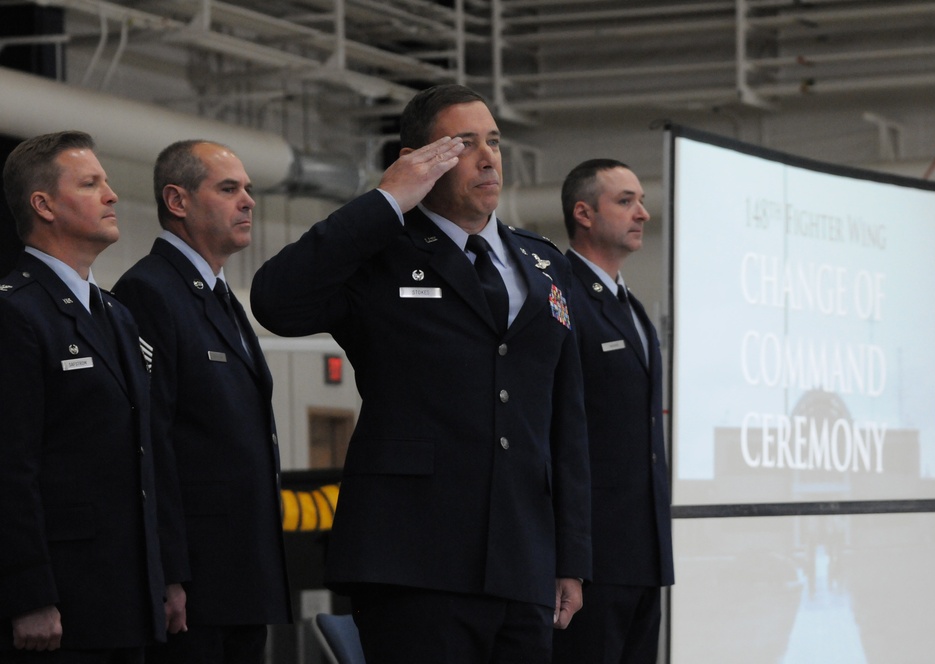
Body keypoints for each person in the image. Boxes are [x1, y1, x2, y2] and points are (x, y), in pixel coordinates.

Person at [250, 83, 591, 663]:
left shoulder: (543, 263)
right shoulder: (381, 251)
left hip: (522, 561)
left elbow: (567, 418)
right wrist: (384, 202)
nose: (488, 157)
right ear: (419, 161)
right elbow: (276, 302)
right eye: (464, 144)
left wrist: (572, 558)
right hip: (412, 558)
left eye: (494, 141)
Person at [113, 140, 292, 663]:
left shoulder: (220, 296)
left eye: (249, 190)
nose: (248, 202)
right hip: (196, 582)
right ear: (178, 200)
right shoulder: (149, 290)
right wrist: (169, 572)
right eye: (229, 188)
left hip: (242, 574)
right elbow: (152, 442)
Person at [0, 130, 165, 662]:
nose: (112, 195)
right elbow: (10, 467)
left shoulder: (116, 313)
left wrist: (164, 576)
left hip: (126, 592)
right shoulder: (16, 313)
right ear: (43, 205)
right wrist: (28, 595)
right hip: (61, 601)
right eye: (91, 183)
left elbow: (142, 456)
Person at [552, 159, 674, 664]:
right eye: (625, 201)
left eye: (640, 200)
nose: (642, 213)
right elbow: (559, 433)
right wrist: (569, 560)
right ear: (583, 212)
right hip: (593, 558)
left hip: (642, 554)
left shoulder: (633, 308)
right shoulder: (560, 295)